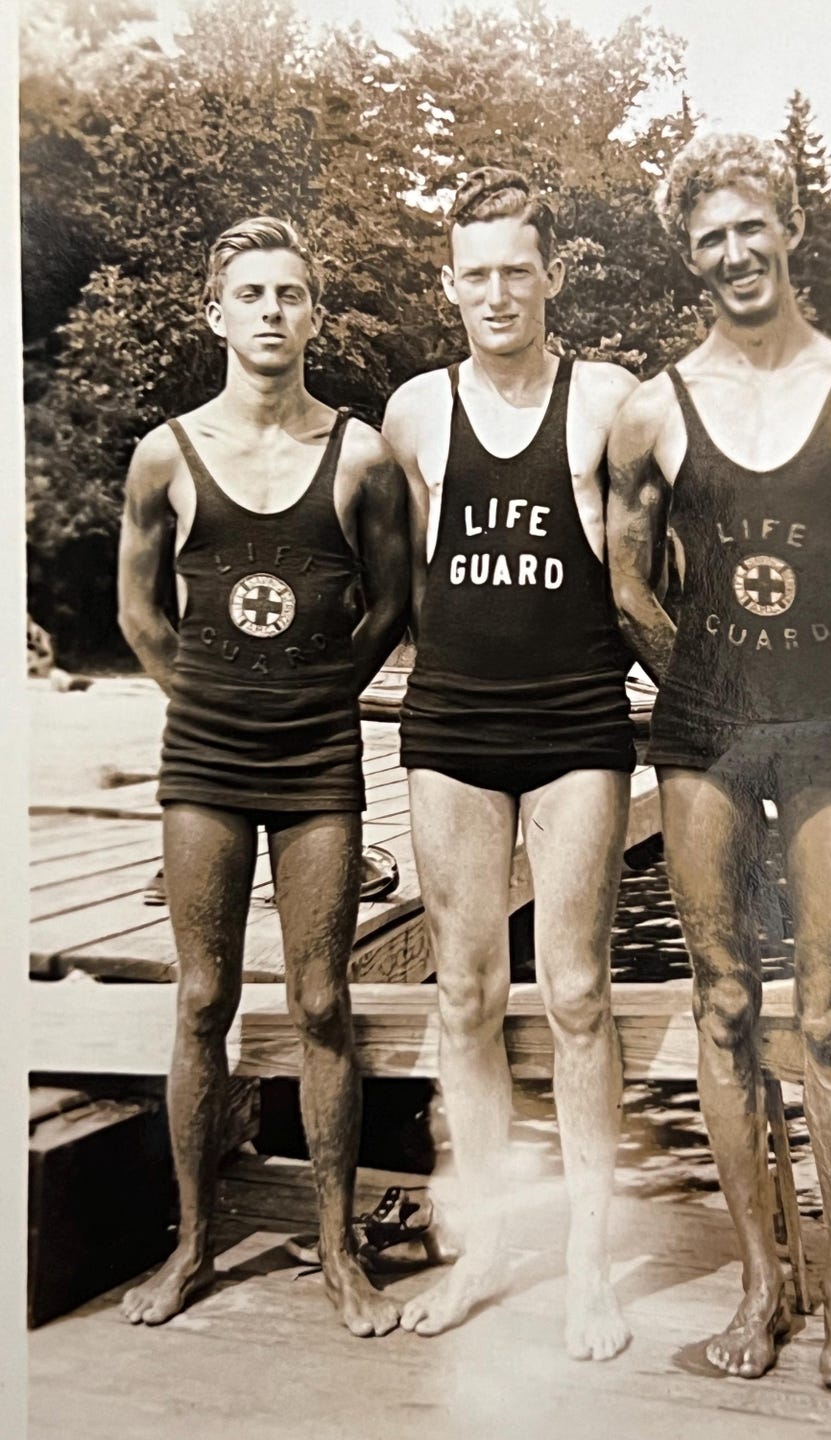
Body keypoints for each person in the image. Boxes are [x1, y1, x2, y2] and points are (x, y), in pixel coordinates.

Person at [606, 133, 831, 1389]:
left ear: (789, 228)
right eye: (710, 239)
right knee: (723, 1004)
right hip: (702, 730)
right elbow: (628, 576)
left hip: (825, 729)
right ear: (688, 255)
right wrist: (697, 678)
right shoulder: (655, 407)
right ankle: (762, 1287)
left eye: (752, 228)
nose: (735, 254)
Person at [116, 216, 410, 1336]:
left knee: (323, 998)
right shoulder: (167, 452)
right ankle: (194, 1244)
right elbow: (138, 610)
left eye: (292, 293)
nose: (274, 311)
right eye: (253, 293)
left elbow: (392, 600)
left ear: (315, 315)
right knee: (201, 996)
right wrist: (194, 697)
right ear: (217, 313)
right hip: (205, 756)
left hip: (318, 752)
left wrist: (328, 691)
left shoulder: (363, 454)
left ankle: (339, 1253)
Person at [381, 168, 638, 1360]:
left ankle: (590, 1262)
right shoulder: (414, 412)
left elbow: (657, 571)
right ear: (450, 284)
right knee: (466, 993)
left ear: (552, 276)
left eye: (515, 269)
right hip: (452, 730)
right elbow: (386, 587)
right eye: (473, 272)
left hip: (580, 721)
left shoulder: (607, 402)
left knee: (579, 993)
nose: (495, 291)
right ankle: (483, 1245)